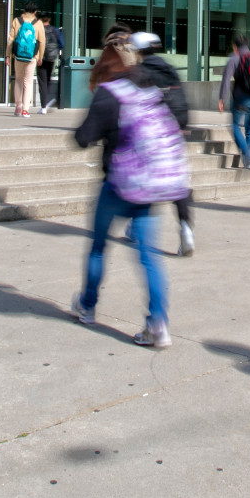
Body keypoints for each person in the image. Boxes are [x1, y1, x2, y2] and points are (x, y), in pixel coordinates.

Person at [71, 33, 190, 348]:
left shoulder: (109, 93)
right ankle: (158, 323)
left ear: (110, 59)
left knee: (98, 247)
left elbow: (82, 138)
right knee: (149, 257)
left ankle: (87, 305)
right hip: (149, 185)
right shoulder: (149, 88)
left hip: (117, 184)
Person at [131, 32, 197, 256]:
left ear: (138, 50)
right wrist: (182, 124)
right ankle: (186, 228)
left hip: (147, 133)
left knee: (143, 179)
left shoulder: (138, 72)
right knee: (177, 182)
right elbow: (181, 100)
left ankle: (136, 226)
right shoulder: (168, 68)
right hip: (173, 129)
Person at [217, 36, 250, 172]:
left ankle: (247, 155)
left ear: (235, 46)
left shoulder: (234, 58)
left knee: (234, 125)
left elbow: (226, 79)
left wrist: (222, 98)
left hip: (242, 99)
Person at [7, 4, 45, 118]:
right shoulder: (38, 23)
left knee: (18, 80)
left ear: (23, 11)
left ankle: (18, 108)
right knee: (28, 82)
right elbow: (42, 42)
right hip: (32, 57)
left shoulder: (16, 21)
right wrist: (40, 57)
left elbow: (11, 39)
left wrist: (7, 55)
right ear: (35, 12)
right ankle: (25, 110)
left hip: (18, 56)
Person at [38, 14, 66, 113]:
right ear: (49, 19)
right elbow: (62, 43)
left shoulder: (40, 29)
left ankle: (44, 106)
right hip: (51, 58)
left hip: (41, 58)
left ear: (40, 20)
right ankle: (49, 100)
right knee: (48, 80)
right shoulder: (55, 30)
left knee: (42, 82)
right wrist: (59, 51)